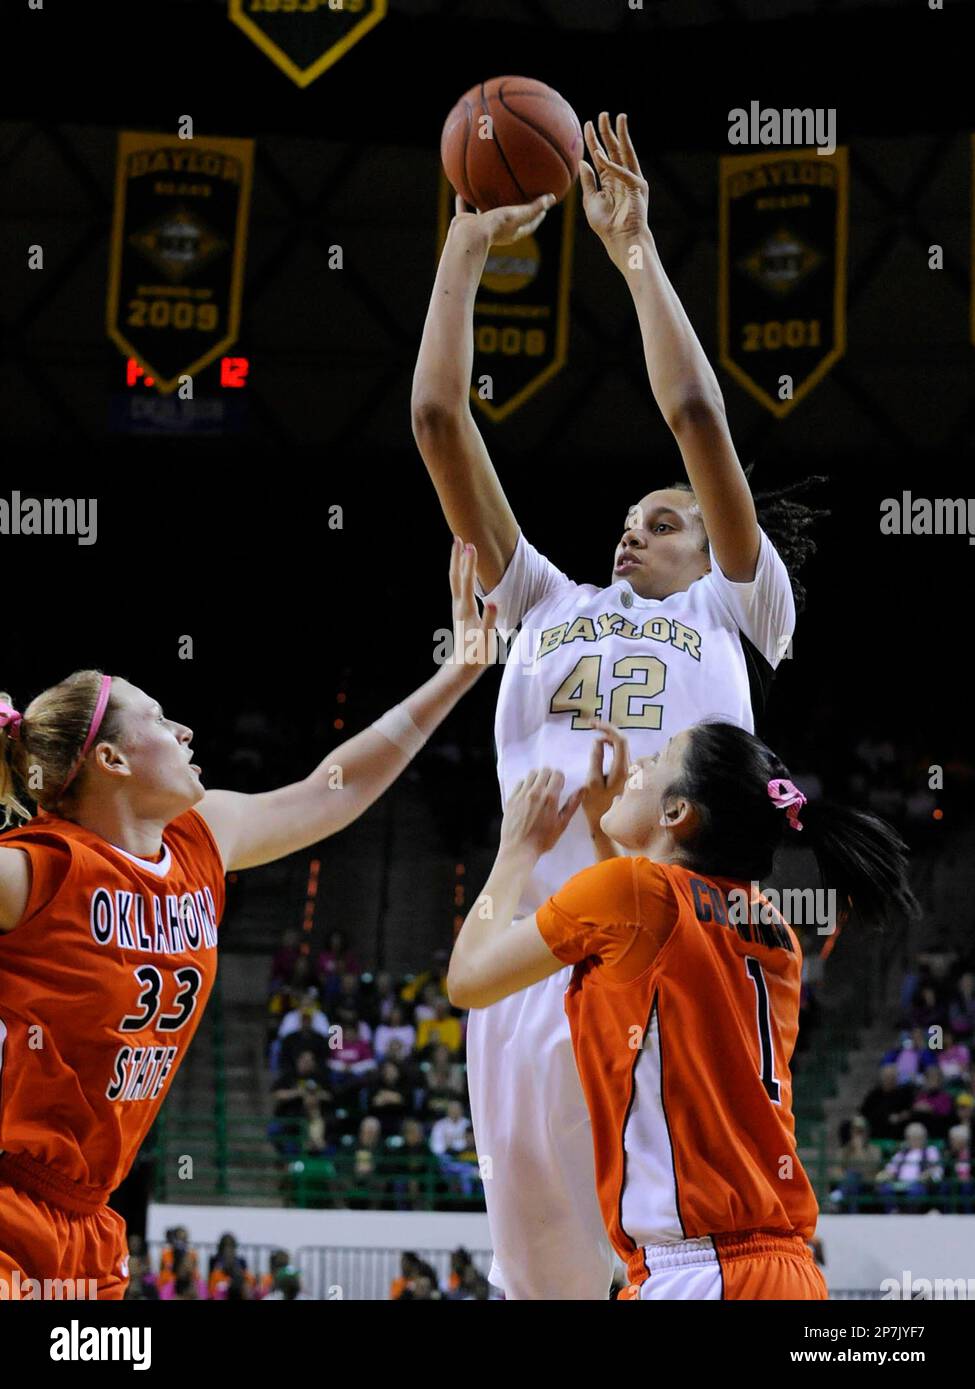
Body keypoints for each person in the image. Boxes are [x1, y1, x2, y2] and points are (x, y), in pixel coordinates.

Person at [413, 109, 824, 1299]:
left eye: (662, 519)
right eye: (628, 519)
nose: (631, 530)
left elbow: (700, 422)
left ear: (710, 545)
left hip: (667, 958)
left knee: (702, 1246)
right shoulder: (538, 596)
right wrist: (466, 246)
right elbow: (441, 422)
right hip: (531, 961)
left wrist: (634, 251)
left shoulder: (732, 610)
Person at [0, 540, 496, 1299]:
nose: (186, 731)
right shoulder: (37, 869)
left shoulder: (203, 839)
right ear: (113, 762)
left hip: (91, 1220)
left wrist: (457, 672)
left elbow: (332, 791)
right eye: (161, 721)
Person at [448, 718, 917, 1298]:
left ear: (677, 814)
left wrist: (515, 849)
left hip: (701, 1272)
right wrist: (603, 826)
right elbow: (640, 940)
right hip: (785, 1270)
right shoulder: (773, 928)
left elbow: (468, 981)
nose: (636, 768)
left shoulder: (636, 896)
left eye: (657, 759)